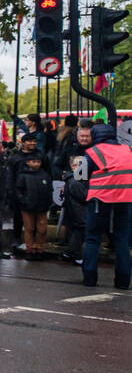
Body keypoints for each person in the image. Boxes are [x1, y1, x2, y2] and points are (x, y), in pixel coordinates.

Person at [82, 123, 132, 288]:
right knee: (122, 239)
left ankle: (90, 278)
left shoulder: (93, 152)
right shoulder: (126, 149)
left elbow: (79, 175)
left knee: (92, 238)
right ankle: (123, 281)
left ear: (95, 136)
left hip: (100, 199)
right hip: (125, 198)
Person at [12, 145, 53, 260]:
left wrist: (49, 201)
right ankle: (29, 250)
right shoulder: (22, 175)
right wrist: (23, 201)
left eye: (38, 161)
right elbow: (18, 190)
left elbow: (50, 189)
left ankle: (39, 249)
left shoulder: (45, 175)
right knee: (29, 229)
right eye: (33, 161)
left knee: (42, 230)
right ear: (28, 163)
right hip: (27, 207)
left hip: (42, 206)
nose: (37, 164)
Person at [61, 154, 89, 265]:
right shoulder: (75, 181)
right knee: (78, 233)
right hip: (78, 211)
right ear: (73, 166)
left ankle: (73, 254)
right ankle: (72, 253)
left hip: (76, 211)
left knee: (77, 233)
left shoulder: (75, 179)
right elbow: (84, 196)